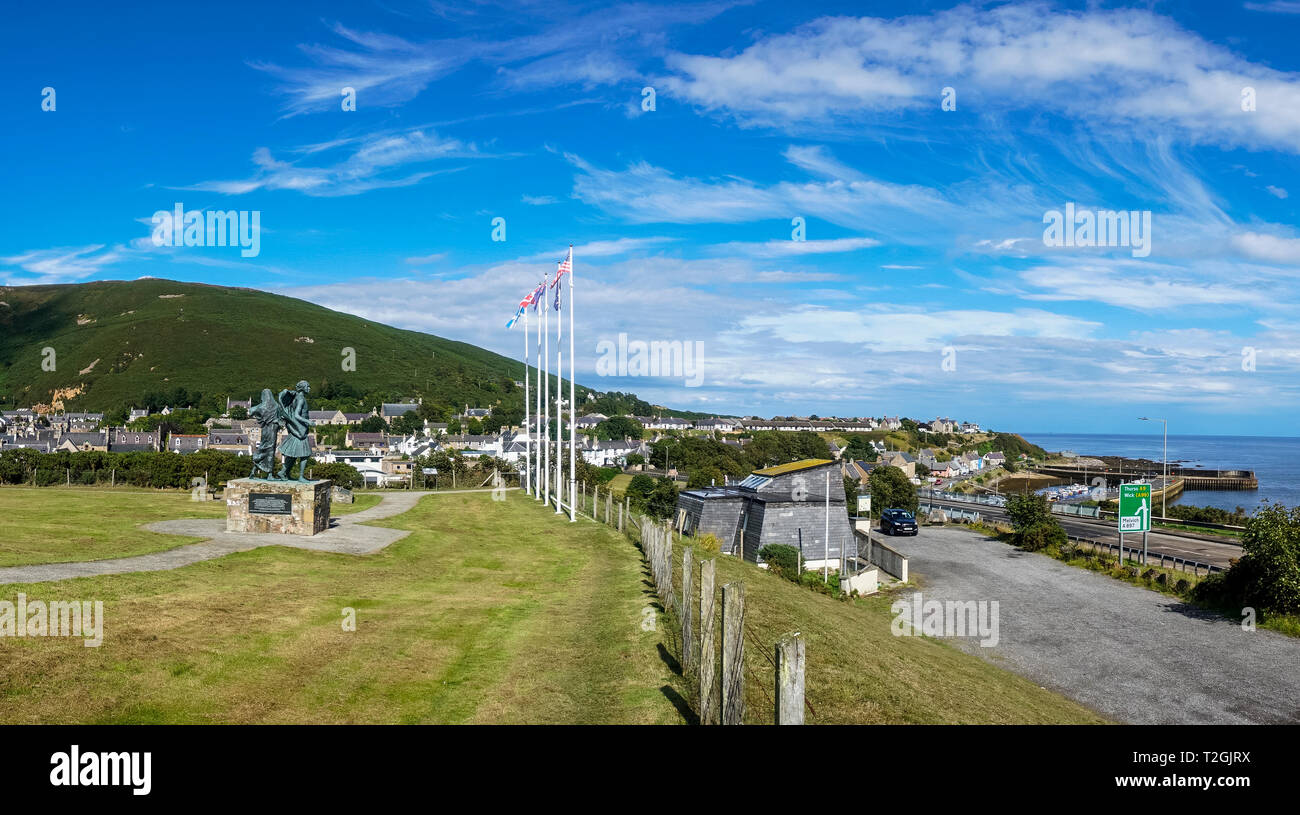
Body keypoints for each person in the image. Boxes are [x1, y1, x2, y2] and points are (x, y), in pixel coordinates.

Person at [276, 380, 316, 481]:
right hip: (300, 429)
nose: (309, 388)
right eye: (308, 386)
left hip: (297, 428)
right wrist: (308, 421)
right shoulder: (301, 399)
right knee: (305, 454)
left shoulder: (296, 397)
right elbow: (297, 415)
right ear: (303, 388)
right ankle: (301, 476)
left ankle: (283, 472)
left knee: (293, 454)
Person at [247, 388, 283, 479]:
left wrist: (260, 408)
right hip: (272, 431)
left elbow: (250, 411)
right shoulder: (277, 406)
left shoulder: (261, 407)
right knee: (270, 451)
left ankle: (253, 471)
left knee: (263, 449)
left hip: (265, 431)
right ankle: (269, 474)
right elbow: (281, 418)